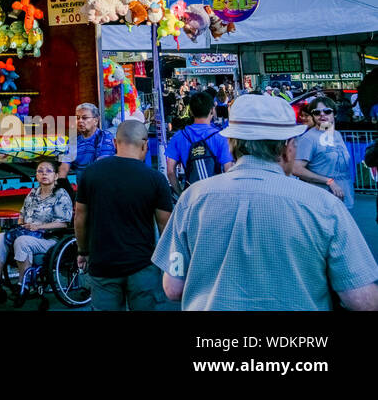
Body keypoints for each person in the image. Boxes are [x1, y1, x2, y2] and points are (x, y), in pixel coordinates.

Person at [154, 94, 378, 310]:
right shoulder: (324, 205)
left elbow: (173, 288)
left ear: (232, 145)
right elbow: (362, 300)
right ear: (288, 147)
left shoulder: (192, 199)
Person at [74, 119, 173, 310]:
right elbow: (165, 226)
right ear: (145, 144)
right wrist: (169, 264)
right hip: (142, 265)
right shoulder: (155, 179)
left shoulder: (91, 173)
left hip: (103, 264)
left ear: (114, 143)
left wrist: (83, 251)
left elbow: (80, 216)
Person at [0, 157, 72, 303]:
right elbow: (22, 214)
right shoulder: (33, 193)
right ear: (36, 175)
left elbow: (63, 224)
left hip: (49, 239)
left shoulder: (61, 195)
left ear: (56, 176)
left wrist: (38, 227)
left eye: (48, 171)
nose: (44, 174)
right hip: (29, 233)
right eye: (40, 171)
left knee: (22, 241)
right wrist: (21, 223)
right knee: (0, 237)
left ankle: (24, 286)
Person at [292, 96, 355, 210]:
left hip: (343, 199)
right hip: (320, 202)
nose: (322, 115)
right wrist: (328, 181)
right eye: (316, 112)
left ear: (334, 114)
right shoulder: (309, 138)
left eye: (327, 111)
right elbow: (296, 169)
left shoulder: (337, 135)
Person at [165, 91, 233, 195]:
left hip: (191, 195)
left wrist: (180, 194)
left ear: (191, 111)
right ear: (212, 110)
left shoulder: (179, 137)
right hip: (215, 195)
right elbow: (228, 169)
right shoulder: (220, 137)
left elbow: (170, 171)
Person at [57, 103, 115, 181]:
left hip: (100, 183)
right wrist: (60, 182)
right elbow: (64, 166)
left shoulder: (104, 136)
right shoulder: (72, 141)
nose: (80, 121)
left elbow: (102, 163)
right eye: (77, 118)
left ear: (96, 121)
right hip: (81, 187)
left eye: (84, 118)